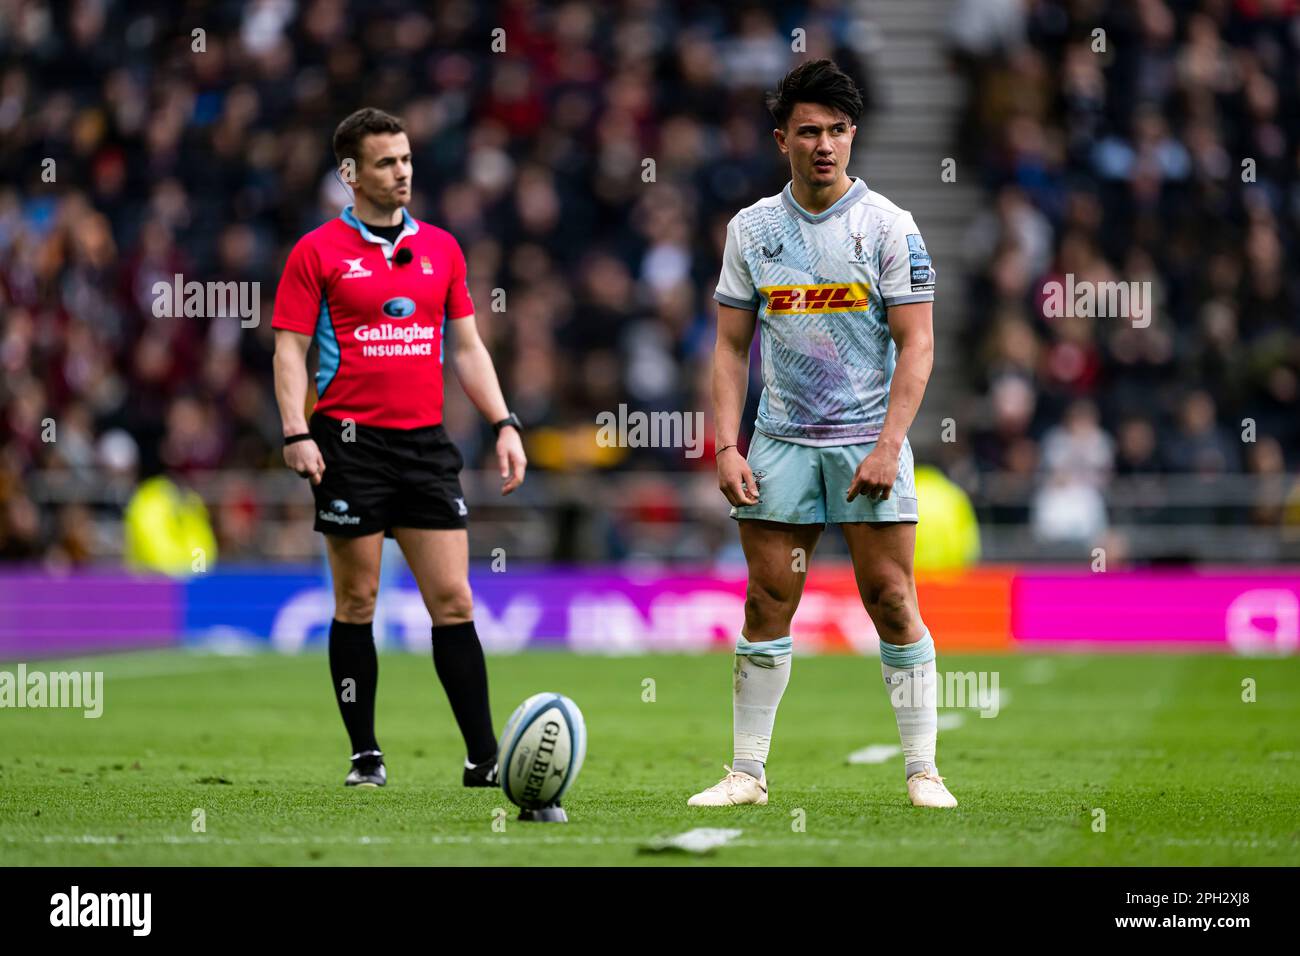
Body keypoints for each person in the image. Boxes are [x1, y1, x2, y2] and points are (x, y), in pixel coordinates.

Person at [695, 59, 957, 809]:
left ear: (853, 137)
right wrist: (726, 445)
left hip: (865, 439)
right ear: (782, 139)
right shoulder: (752, 230)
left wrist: (887, 444)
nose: (824, 145)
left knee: (890, 597)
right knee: (767, 599)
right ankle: (746, 773)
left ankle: (923, 771)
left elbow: (920, 345)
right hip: (779, 442)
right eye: (809, 131)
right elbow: (728, 347)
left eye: (838, 130)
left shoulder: (888, 227)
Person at [271, 108, 527, 788]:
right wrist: (295, 431)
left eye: (407, 158)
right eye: (386, 162)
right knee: (357, 601)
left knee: (456, 601)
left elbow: (467, 347)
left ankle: (482, 758)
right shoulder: (317, 252)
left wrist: (504, 423)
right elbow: (289, 351)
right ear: (349, 174)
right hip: (347, 444)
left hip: (425, 447)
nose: (403, 171)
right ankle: (365, 755)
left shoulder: (442, 248)